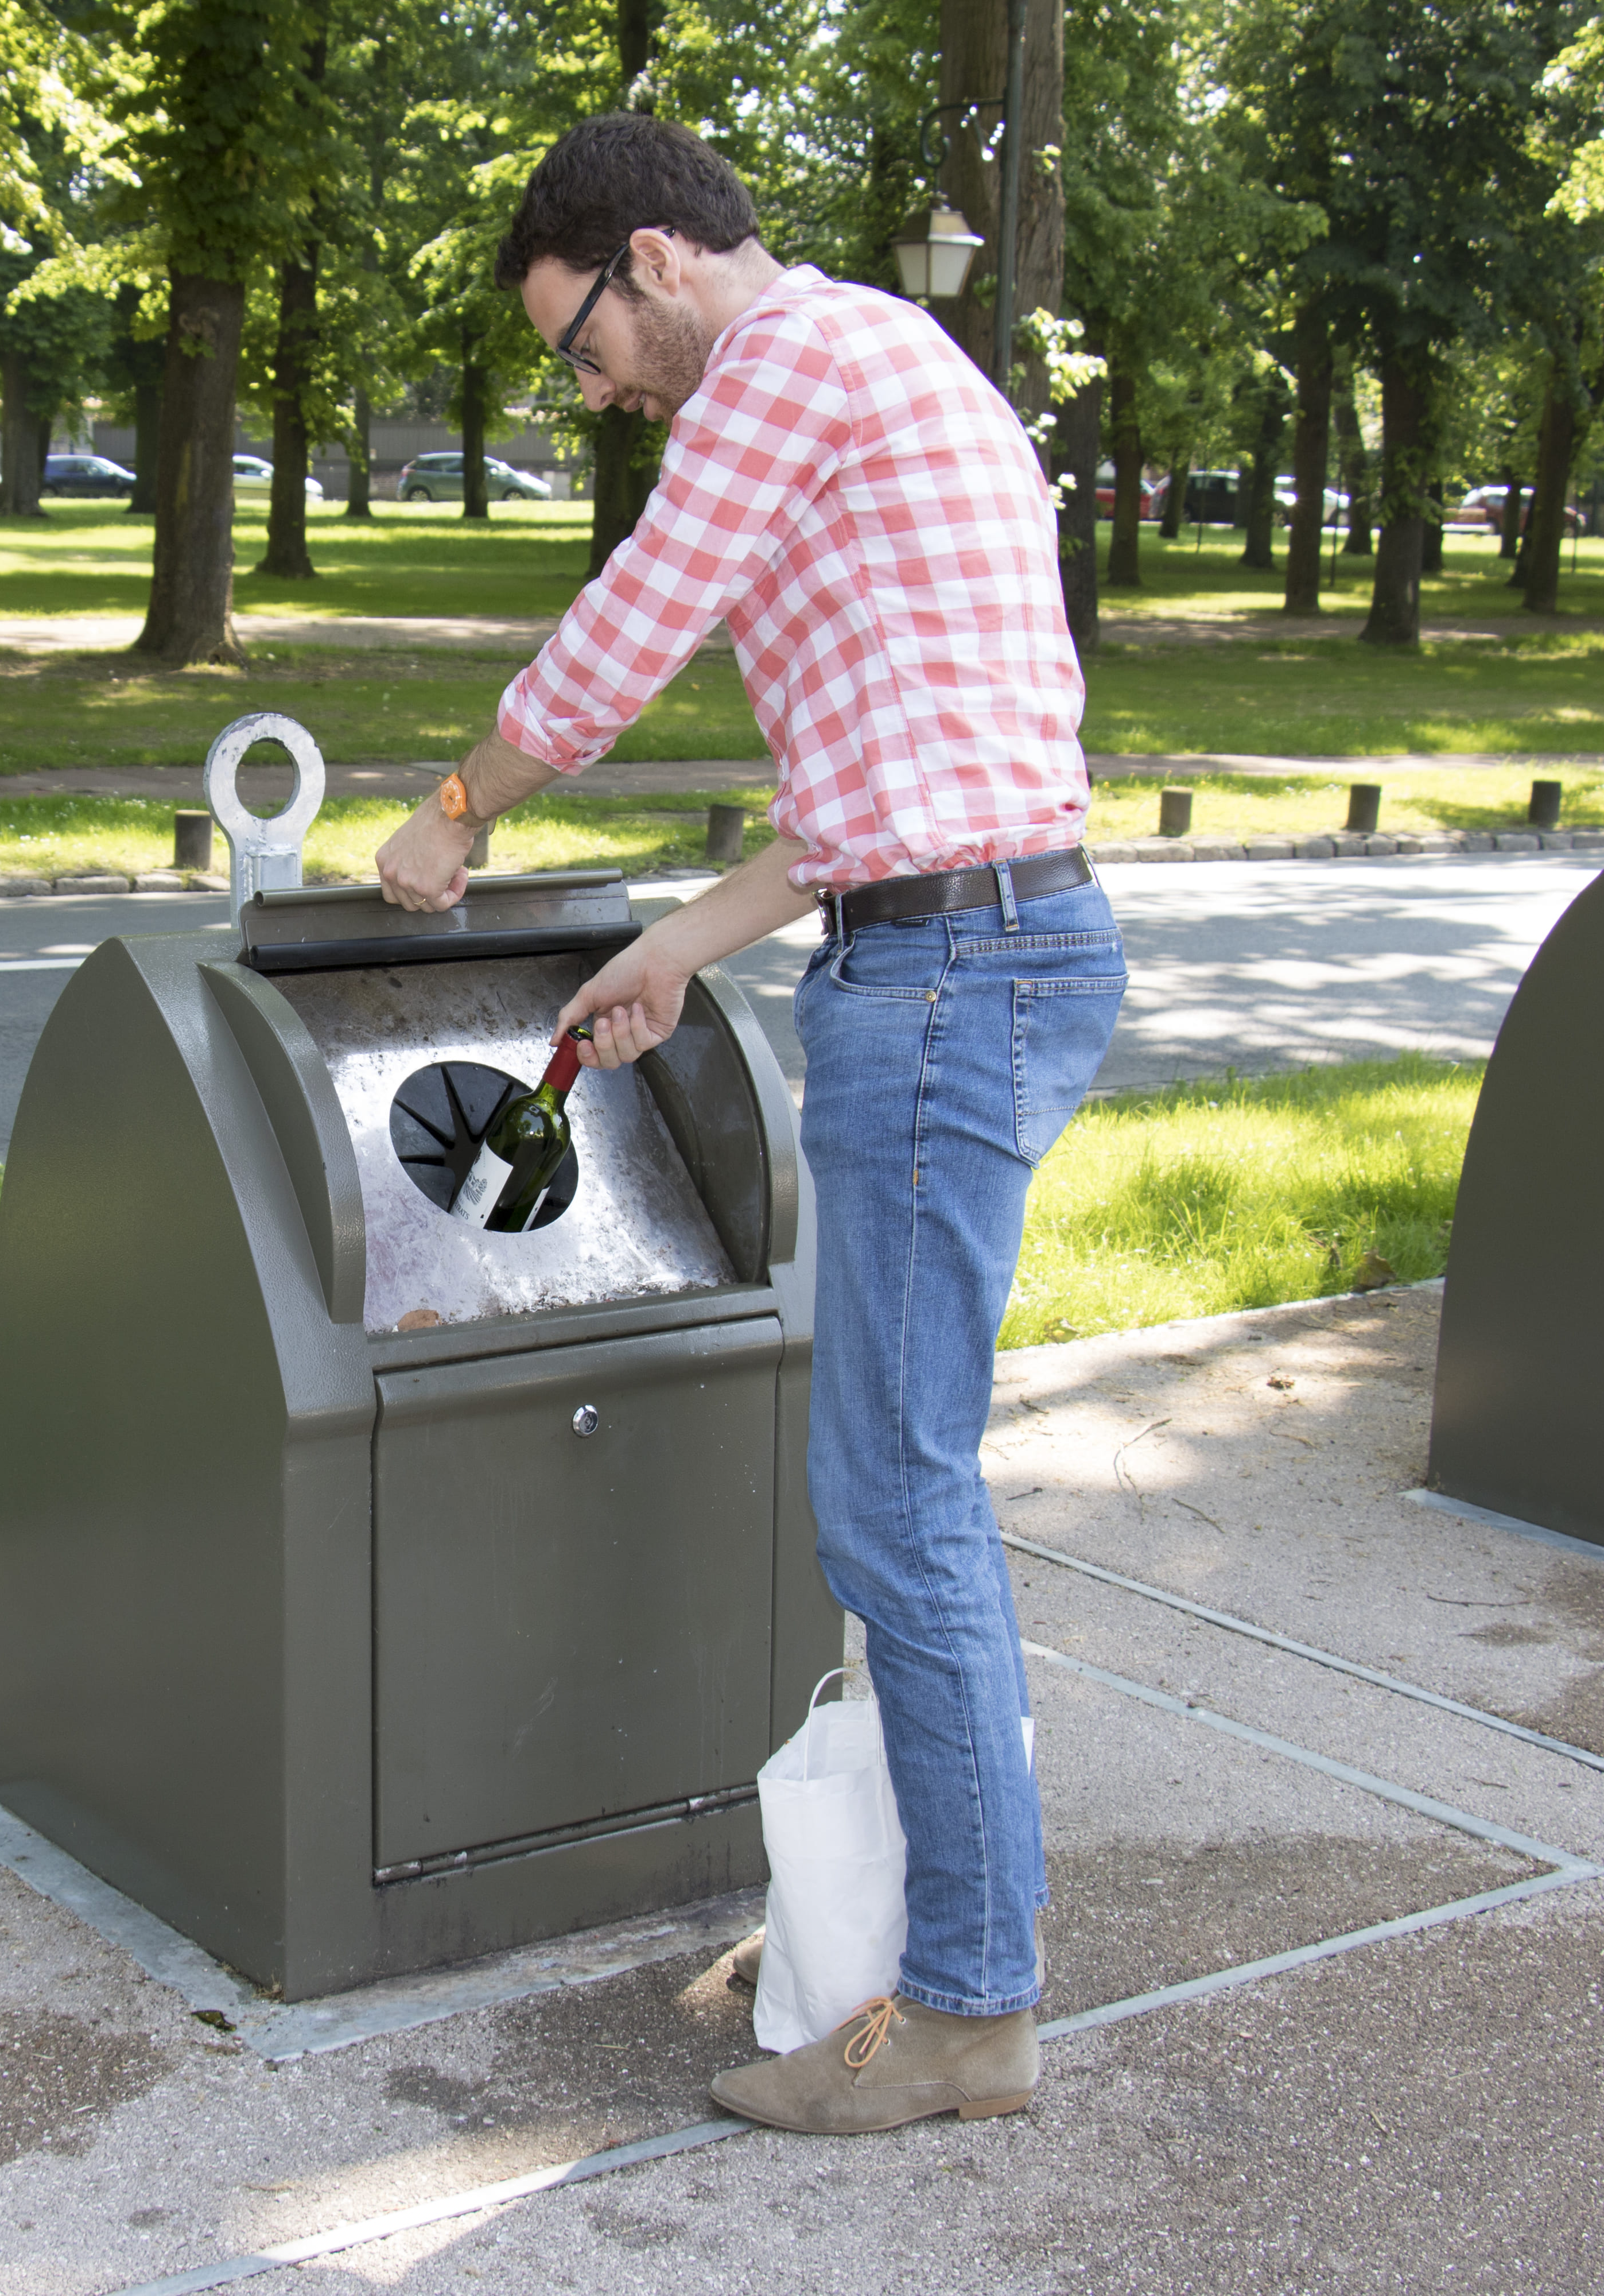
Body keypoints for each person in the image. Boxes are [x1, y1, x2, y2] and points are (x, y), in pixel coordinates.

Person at [372, 113, 1122, 2135]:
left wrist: (455, 816)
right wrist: (687, 944)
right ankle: (874, 1937)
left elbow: (621, 640)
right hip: (989, 941)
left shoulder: (781, 364)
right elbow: (892, 784)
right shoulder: (891, 362)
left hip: (949, 983)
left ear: (656, 259)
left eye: (583, 345)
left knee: (900, 1510)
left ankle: (968, 2009)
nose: (590, 389)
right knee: (909, 1496)